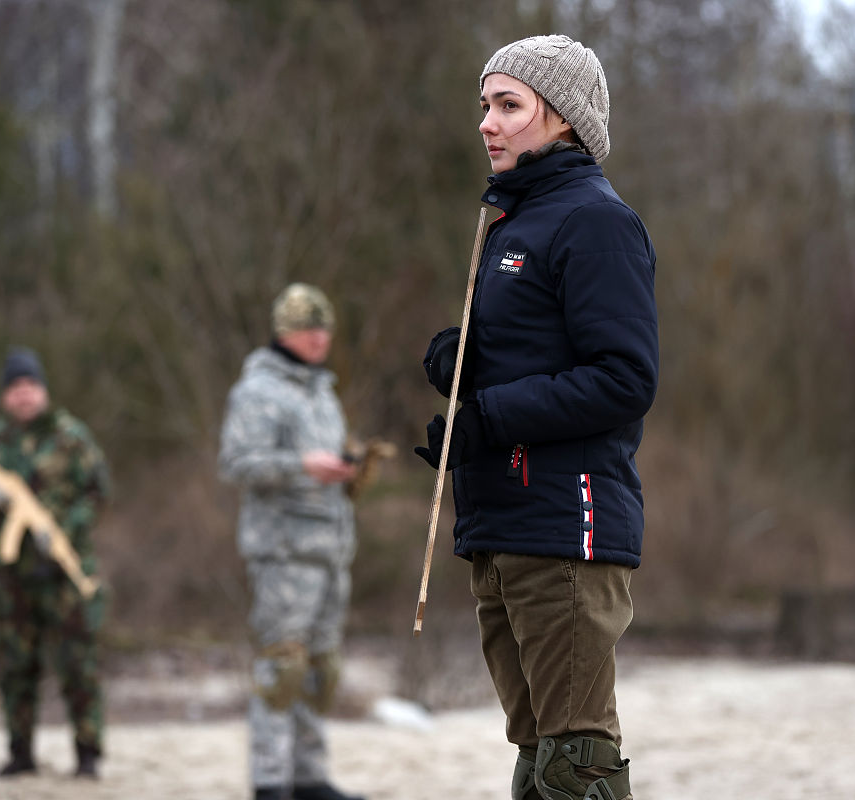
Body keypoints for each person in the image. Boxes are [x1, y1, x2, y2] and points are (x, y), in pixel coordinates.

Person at [414, 35, 658, 800]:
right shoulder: (512, 222)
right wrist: (464, 361)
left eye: (508, 105)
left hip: (564, 531)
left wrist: (490, 418)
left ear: (564, 118)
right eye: (485, 105)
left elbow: (624, 378)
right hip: (501, 526)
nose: (486, 122)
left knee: (575, 758)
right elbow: (538, 354)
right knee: (538, 757)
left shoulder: (594, 222)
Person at [218, 284, 368, 800]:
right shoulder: (257, 391)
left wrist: (350, 467)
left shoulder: (322, 390)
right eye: (308, 328)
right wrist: (302, 465)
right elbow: (237, 463)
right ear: (284, 331)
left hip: (330, 548)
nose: (319, 337)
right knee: (282, 666)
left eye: (324, 328)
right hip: (282, 551)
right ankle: (270, 781)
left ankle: (309, 778)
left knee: (320, 670)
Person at [0, 347, 111, 779]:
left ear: (43, 390)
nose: (24, 394)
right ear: (5, 396)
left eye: (30, 386)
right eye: (15, 387)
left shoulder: (71, 436)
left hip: (66, 571)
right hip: (14, 575)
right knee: (15, 667)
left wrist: (64, 528)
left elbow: (99, 492)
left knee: (78, 664)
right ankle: (20, 753)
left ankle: (88, 754)